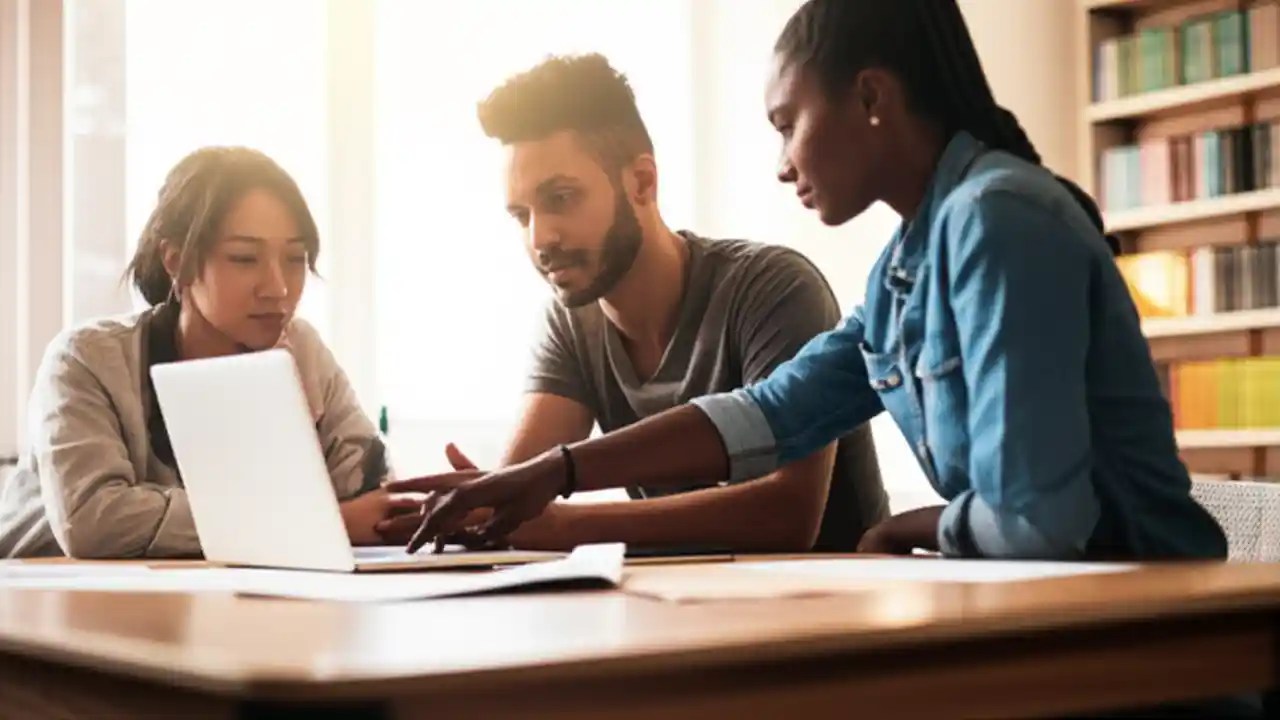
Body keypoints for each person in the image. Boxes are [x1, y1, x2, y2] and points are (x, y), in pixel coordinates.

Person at [400, 0, 1227, 564]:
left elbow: (1041, 520)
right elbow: (770, 412)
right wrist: (557, 471)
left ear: (870, 96)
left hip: (1144, 639)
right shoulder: (907, 268)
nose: (783, 161)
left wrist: (909, 529)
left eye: (789, 124)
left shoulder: (998, 216)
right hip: (1050, 621)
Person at [381, 54, 887, 553]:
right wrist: (482, 508)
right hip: (680, 612)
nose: (540, 237)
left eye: (560, 198)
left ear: (642, 182)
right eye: (521, 215)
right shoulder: (571, 324)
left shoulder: (772, 288)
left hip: (828, 617)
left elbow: (786, 515)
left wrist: (558, 524)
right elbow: (520, 497)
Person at [0, 147, 417, 558]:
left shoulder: (302, 351)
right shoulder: (85, 360)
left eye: (294, 258)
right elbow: (95, 521)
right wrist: (323, 522)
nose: (279, 288)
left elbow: (375, 499)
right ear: (176, 260)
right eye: (244, 258)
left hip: (217, 601)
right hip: (51, 608)